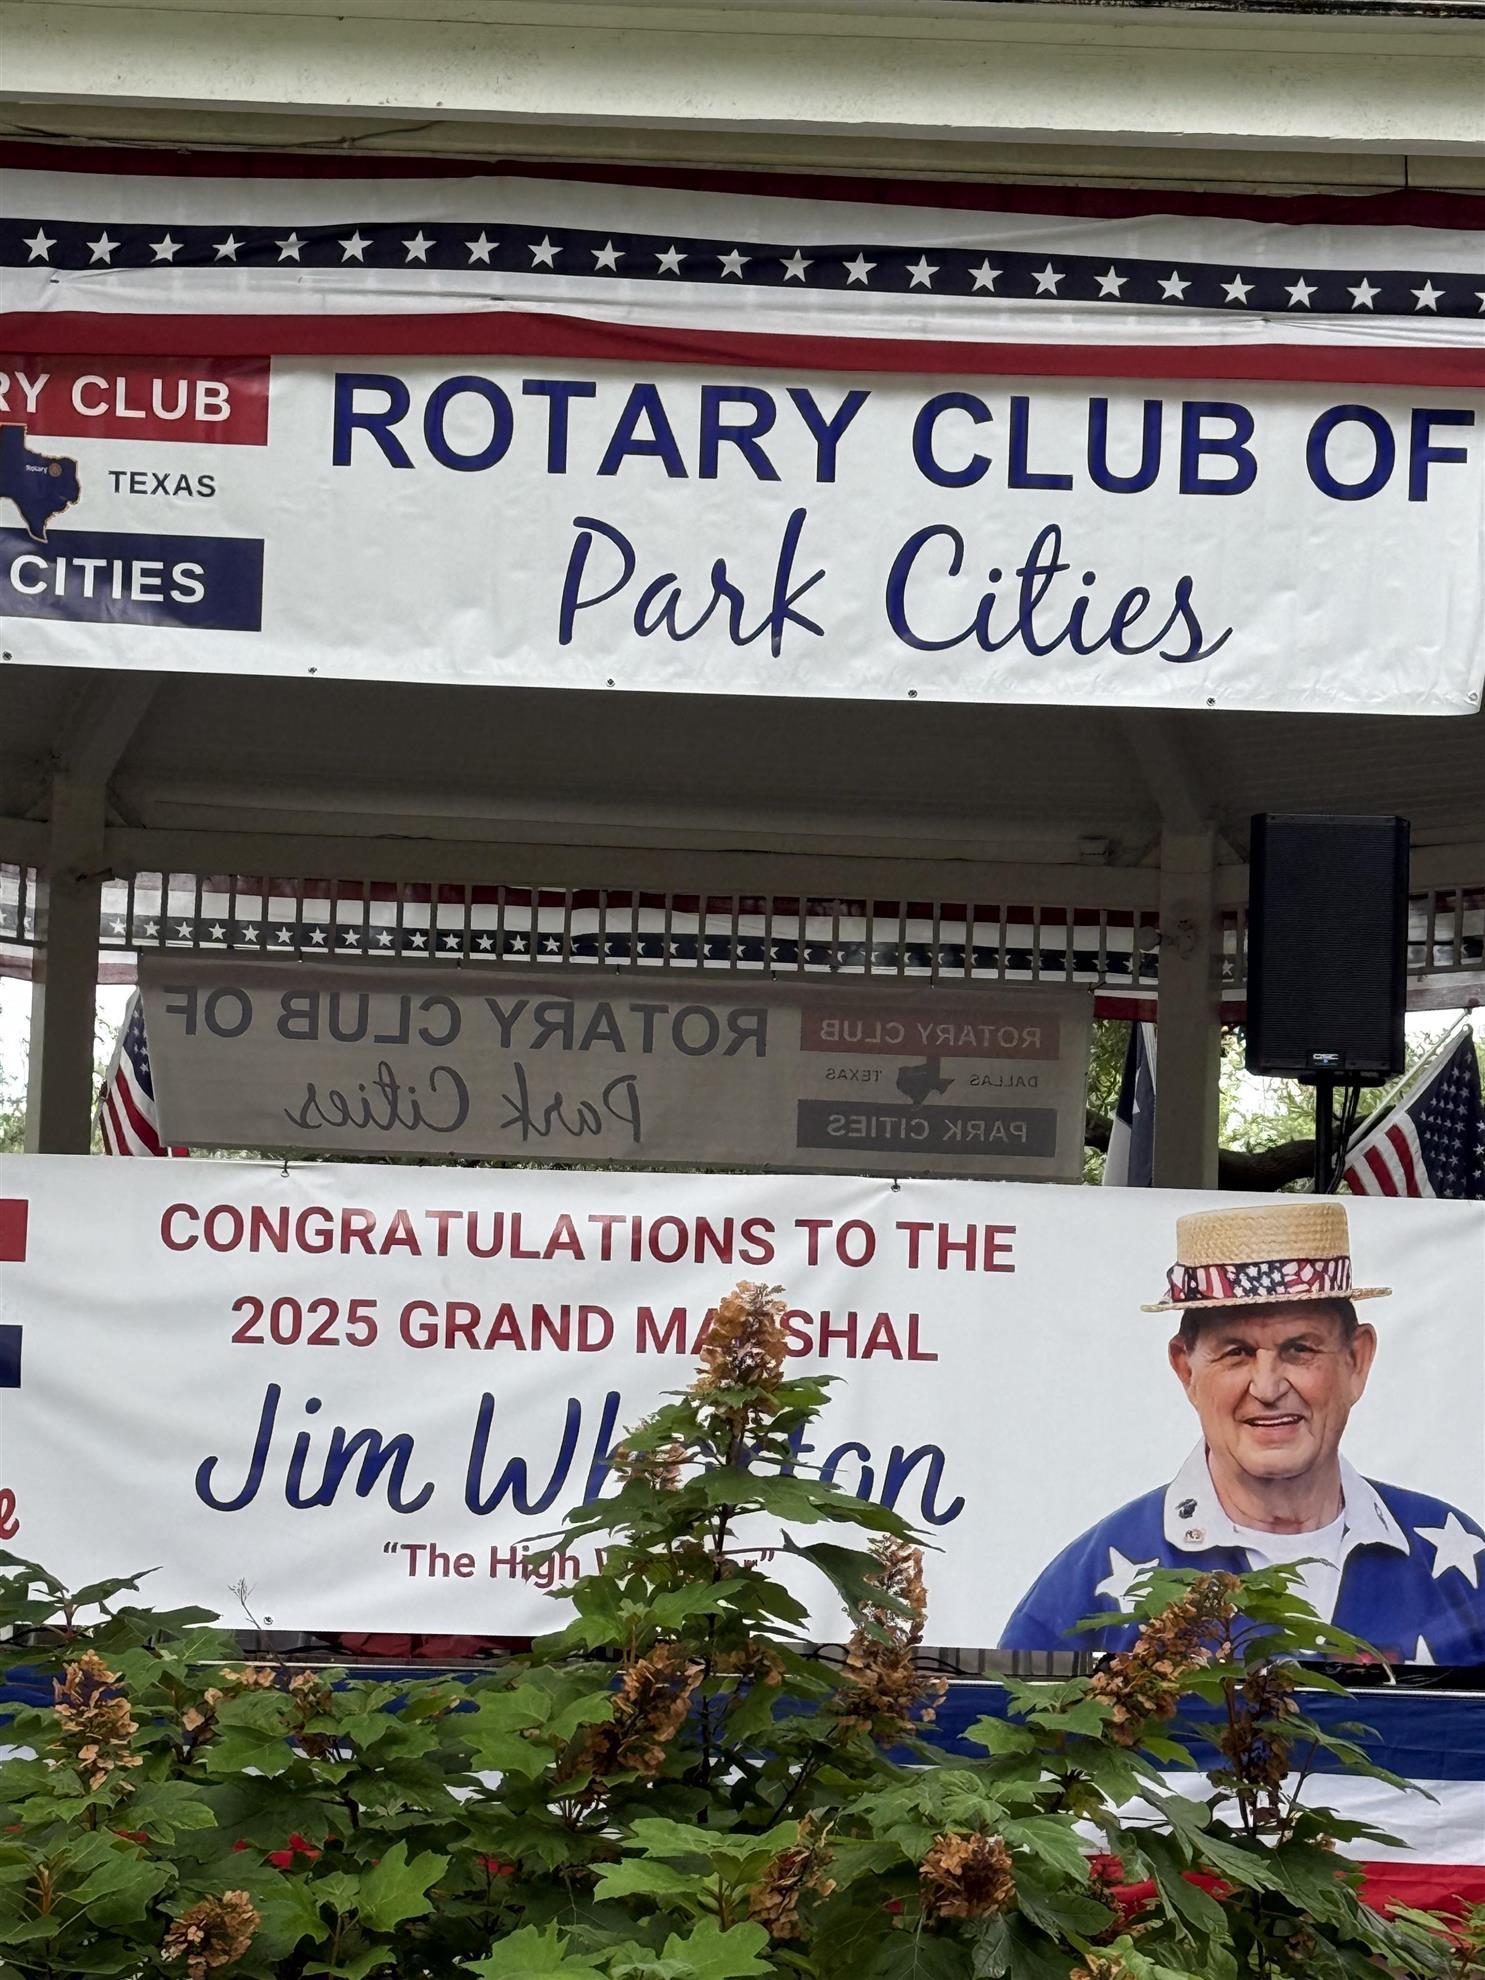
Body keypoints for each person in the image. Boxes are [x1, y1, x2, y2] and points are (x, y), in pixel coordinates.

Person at [1000, 1201, 1485, 1663]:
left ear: (1356, 1361)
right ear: (1185, 1370)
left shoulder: (1460, 1567)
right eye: (1236, 1352)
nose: (1268, 1387)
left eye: (1300, 1349)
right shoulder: (1092, 1582)